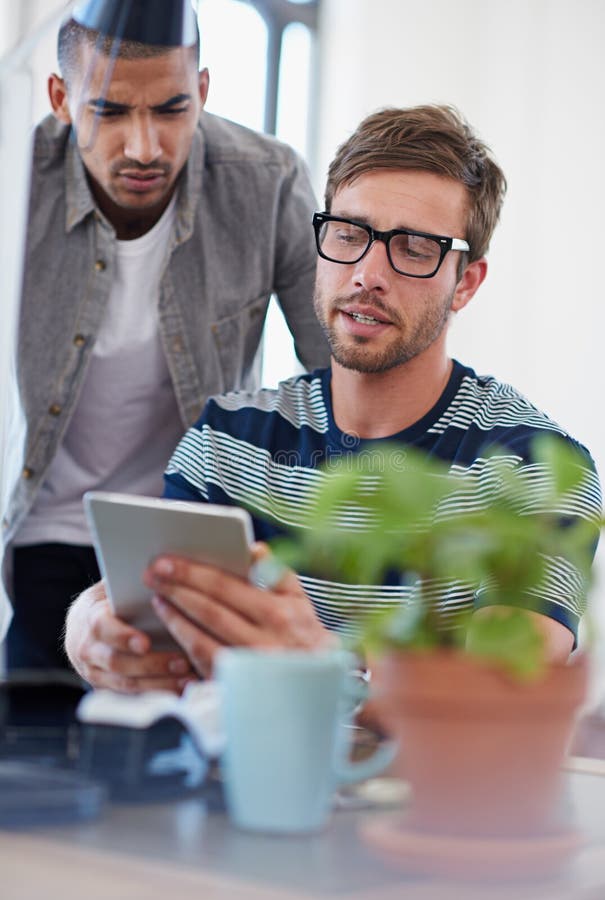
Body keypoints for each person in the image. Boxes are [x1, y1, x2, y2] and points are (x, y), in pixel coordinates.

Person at [64, 104, 601, 693]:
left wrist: (325, 665)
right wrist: (90, 623)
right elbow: (162, 636)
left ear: (465, 283)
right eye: (348, 234)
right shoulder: (227, 439)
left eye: (414, 248)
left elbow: (497, 700)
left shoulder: (538, 469)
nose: (368, 274)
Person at [1, 17, 329, 671]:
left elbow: (337, 373)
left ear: (202, 90)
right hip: (37, 535)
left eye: (172, 109)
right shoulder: (15, 182)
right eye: (110, 111)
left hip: (194, 537)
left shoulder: (267, 182)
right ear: (61, 99)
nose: (145, 147)